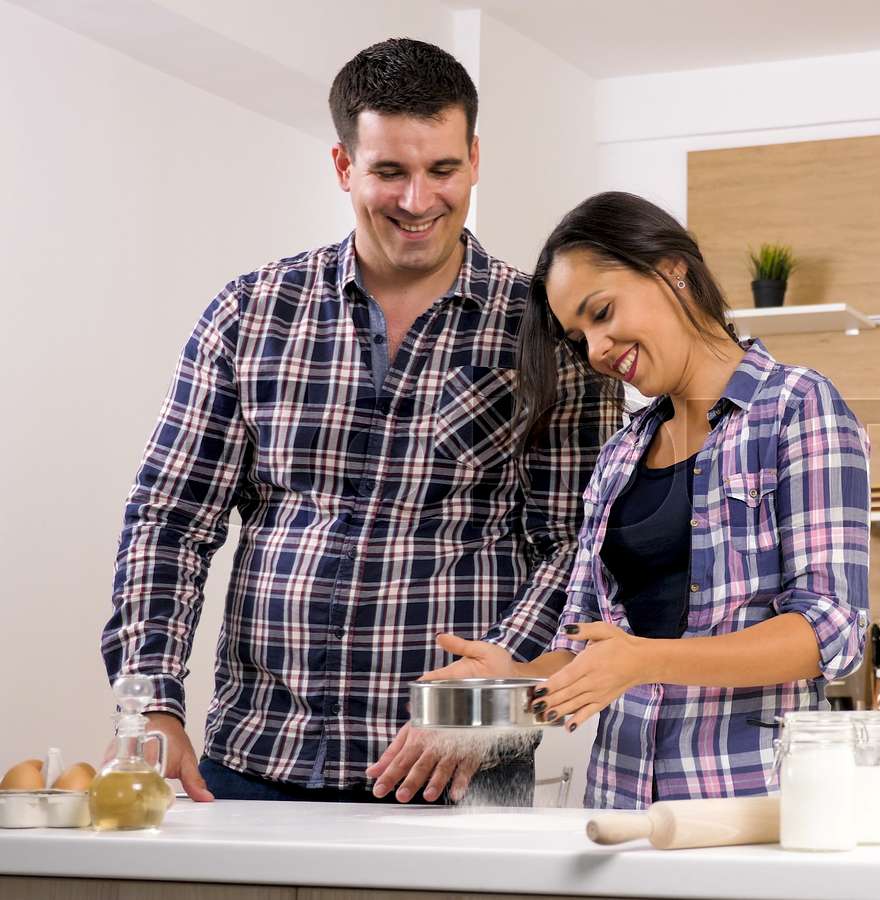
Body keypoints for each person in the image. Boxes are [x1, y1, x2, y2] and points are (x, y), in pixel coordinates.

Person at [102, 39, 617, 803]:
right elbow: (170, 520)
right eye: (388, 172)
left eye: (442, 169)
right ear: (344, 167)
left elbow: (578, 543)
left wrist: (488, 695)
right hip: (255, 760)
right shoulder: (250, 312)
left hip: (460, 765)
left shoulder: (547, 328)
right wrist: (150, 703)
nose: (418, 200)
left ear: (474, 158)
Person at [368, 192, 871, 808]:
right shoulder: (619, 456)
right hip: (618, 800)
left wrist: (646, 661)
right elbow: (586, 655)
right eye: (579, 338)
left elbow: (832, 632)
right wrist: (502, 686)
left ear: (671, 269)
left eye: (602, 312)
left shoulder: (798, 407)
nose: (598, 350)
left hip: (748, 799)